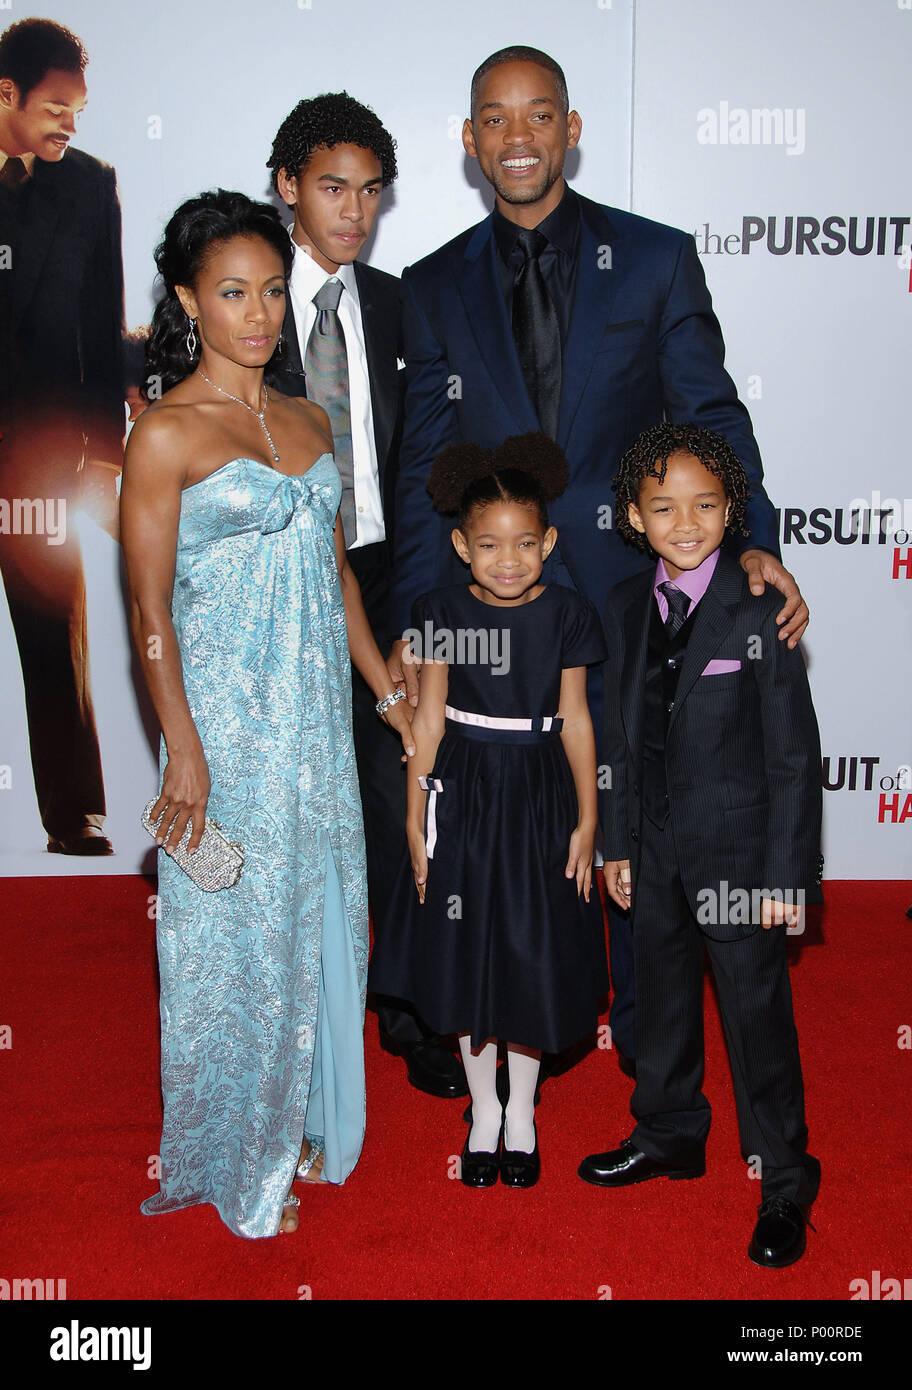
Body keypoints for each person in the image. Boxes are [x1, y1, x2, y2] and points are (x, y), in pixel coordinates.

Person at [388, 45, 810, 1073]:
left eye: (540, 116)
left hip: (632, 591)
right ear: (470, 140)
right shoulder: (433, 282)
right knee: (501, 817)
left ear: (572, 130)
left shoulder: (656, 258)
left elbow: (710, 416)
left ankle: (650, 1061)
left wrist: (754, 545)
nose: (519, 137)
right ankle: (513, 1009)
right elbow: (418, 468)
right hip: (491, 602)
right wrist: (416, 614)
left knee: (635, 810)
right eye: (496, 117)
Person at [120, 190, 414, 1239]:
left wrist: (385, 692)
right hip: (227, 727)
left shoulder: (307, 418)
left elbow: (336, 579)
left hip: (313, 725)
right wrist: (182, 746)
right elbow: (147, 608)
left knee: (321, 917)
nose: (258, 313)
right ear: (192, 302)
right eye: (233, 292)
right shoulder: (163, 433)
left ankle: (301, 1119)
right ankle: (238, 1152)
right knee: (232, 942)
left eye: (274, 290)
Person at [579, 422, 821, 1268]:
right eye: (665, 508)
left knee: (757, 1019)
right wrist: (616, 843)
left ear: (732, 511)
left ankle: (787, 1178)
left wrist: (789, 874)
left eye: (706, 505)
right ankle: (671, 1131)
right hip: (654, 852)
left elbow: (794, 756)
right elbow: (619, 739)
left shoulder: (761, 610)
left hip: (742, 859)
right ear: (634, 520)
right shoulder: (621, 605)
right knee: (664, 1001)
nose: (687, 523)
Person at [267, 92, 467, 1101]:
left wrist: (425, 609)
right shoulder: (243, 299)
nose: (353, 212)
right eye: (332, 187)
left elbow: (427, 464)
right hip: (275, 587)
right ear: (286, 186)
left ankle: (408, 1010)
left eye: (371, 192)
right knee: (290, 809)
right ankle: (291, 1017)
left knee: (402, 800)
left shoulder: (397, 305)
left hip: (385, 580)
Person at [370, 434, 609, 1188]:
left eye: (526, 543)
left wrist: (589, 818)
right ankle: (482, 1113)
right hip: (464, 794)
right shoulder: (437, 610)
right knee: (470, 955)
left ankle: (524, 1115)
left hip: (539, 794)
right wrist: (414, 815)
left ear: (551, 542)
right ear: (460, 546)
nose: (509, 559)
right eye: (490, 544)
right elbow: (428, 720)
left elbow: (575, 719)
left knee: (529, 954)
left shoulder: (569, 614)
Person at [0, 17, 124, 855]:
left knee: (55, 635)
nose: (68, 125)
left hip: (40, 458)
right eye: (54, 107)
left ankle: (73, 811)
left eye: (77, 111)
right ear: (4, 95)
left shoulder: (88, 185)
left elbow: (102, 320)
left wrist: (104, 458)